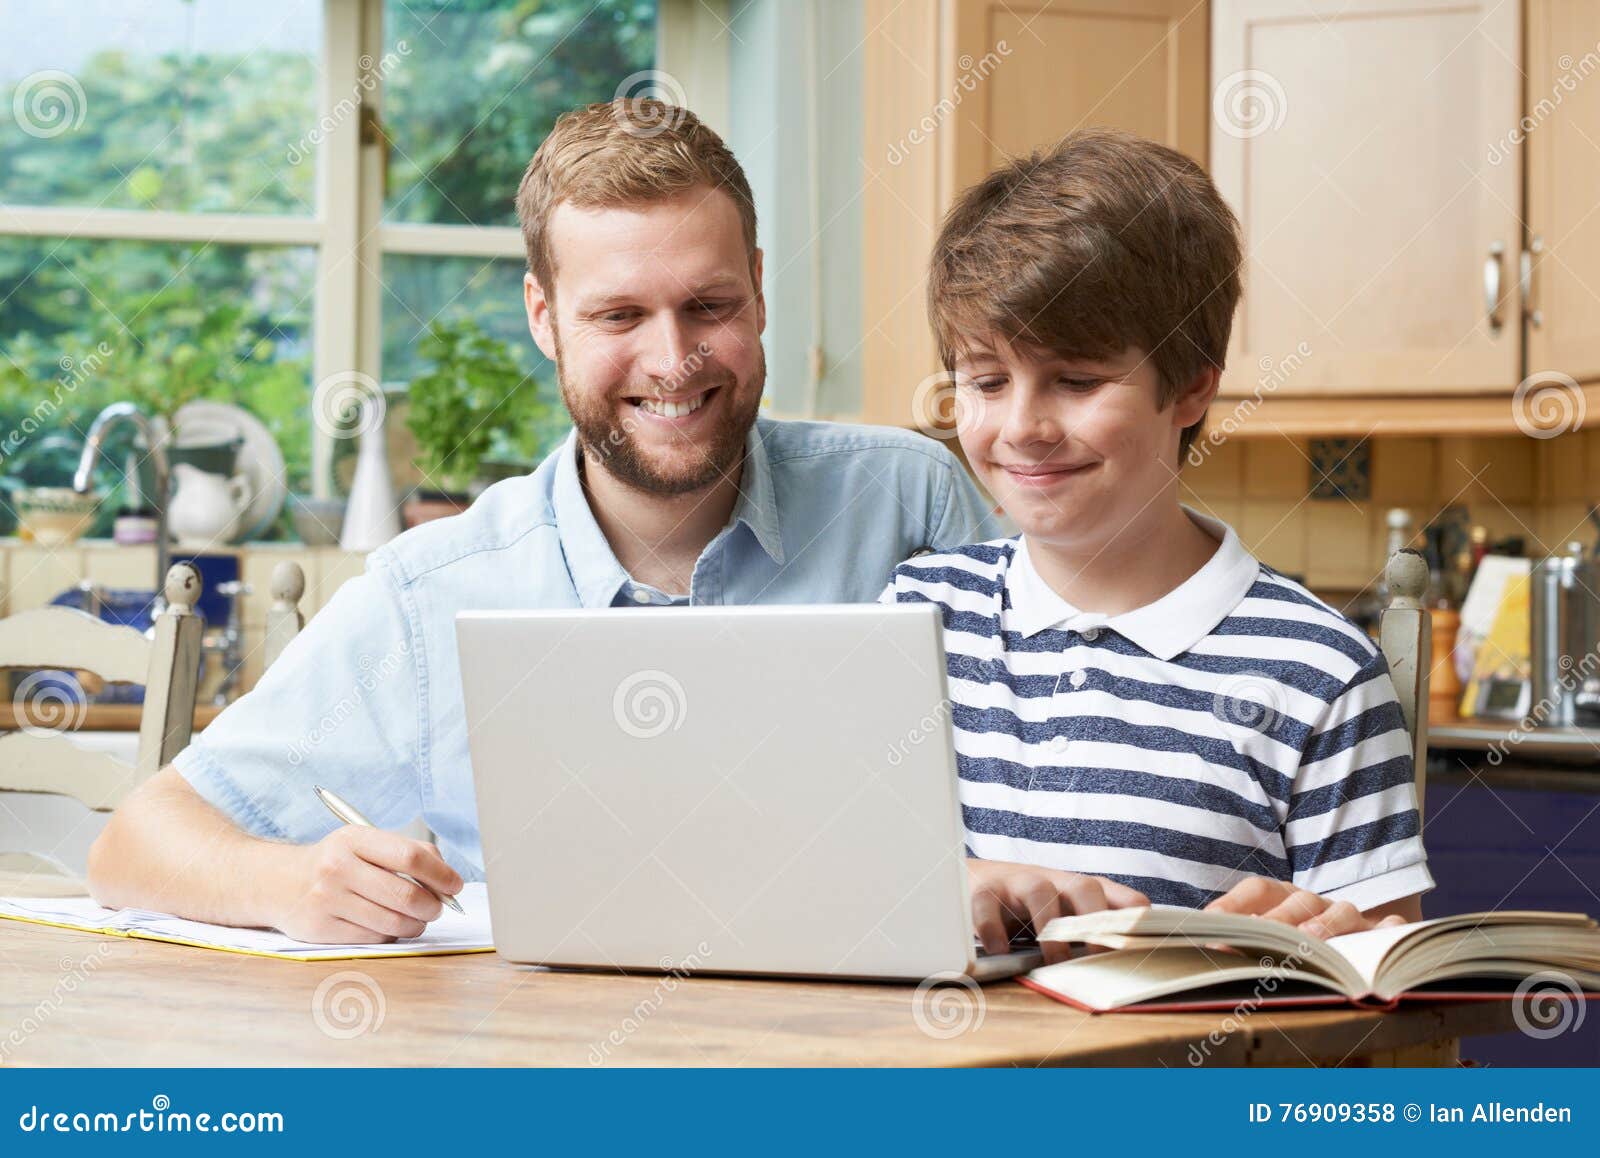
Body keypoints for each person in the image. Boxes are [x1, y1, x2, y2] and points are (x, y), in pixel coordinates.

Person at [86, 99, 999, 943]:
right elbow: (134, 844)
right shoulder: (433, 588)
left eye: (709, 307)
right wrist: (286, 884)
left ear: (759, 291)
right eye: (619, 314)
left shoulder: (908, 500)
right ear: (544, 318)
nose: (673, 360)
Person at [882, 128, 1431, 956]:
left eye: (1076, 381)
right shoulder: (916, 613)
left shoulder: (1317, 672)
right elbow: (820, 887)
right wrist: (931, 886)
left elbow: (1389, 994)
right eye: (985, 381)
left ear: (1190, 386)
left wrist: (1321, 950)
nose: (1021, 428)